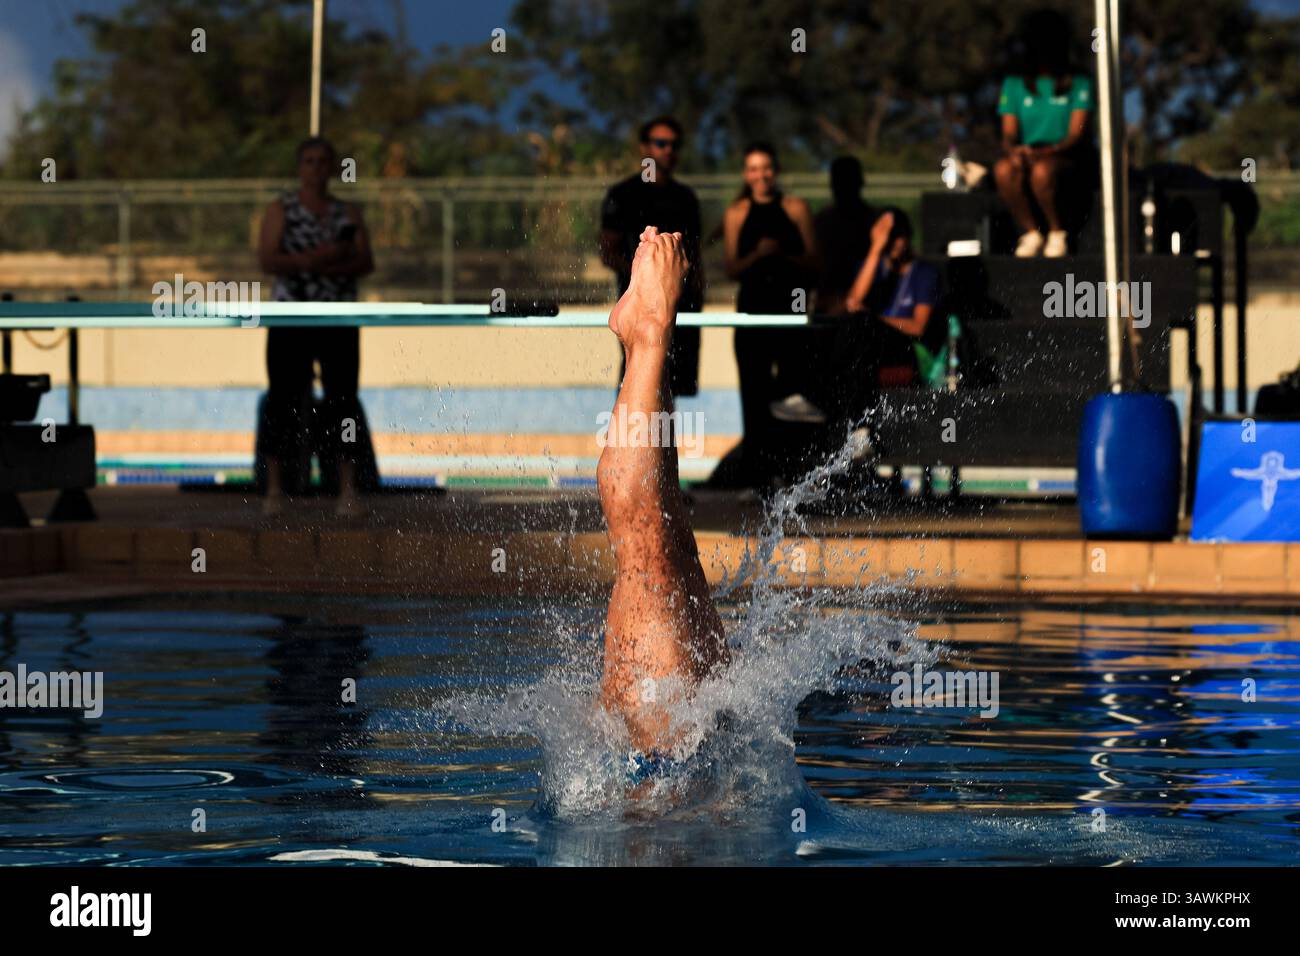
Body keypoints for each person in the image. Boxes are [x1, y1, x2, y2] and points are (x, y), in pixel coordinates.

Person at [598, 225, 729, 764]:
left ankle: (646, 339)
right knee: (659, 545)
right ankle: (646, 337)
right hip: (669, 776)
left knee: (654, 548)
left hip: (660, 781)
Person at [257, 137, 375, 516]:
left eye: (323, 161)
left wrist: (325, 265)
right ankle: (275, 490)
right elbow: (268, 259)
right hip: (292, 316)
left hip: (338, 318)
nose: (315, 168)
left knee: (343, 401)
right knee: (282, 399)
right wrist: (320, 258)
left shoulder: (346, 212)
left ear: (332, 167)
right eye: (308, 161)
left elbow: (364, 261)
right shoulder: (282, 209)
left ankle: (347, 490)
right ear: (299, 167)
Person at [721, 143, 818, 486]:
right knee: (754, 393)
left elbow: (813, 262)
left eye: (766, 168)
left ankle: (792, 472)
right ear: (746, 174)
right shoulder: (736, 212)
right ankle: (757, 478)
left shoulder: (795, 208)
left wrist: (782, 255)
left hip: (789, 309)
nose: (760, 175)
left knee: (791, 394)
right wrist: (759, 256)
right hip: (752, 311)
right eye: (753, 169)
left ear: (775, 171)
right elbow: (732, 268)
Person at [599, 116, 704, 396]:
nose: (668, 150)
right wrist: (647, 276)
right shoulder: (622, 195)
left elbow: (694, 252)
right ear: (645, 147)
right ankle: (629, 440)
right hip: (639, 302)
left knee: (674, 385)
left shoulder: (685, 198)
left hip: (683, 303)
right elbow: (608, 252)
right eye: (661, 143)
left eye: (674, 144)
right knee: (636, 378)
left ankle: (661, 441)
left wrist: (693, 289)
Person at [770, 156, 879, 425]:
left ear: (859, 183)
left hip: (861, 313)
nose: (843, 187)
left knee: (850, 338)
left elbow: (879, 276)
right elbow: (812, 271)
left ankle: (852, 423)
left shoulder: (872, 223)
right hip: (824, 312)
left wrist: (846, 302)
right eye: (839, 181)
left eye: (848, 180)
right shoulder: (823, 222)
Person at [993, 8, 1094, 258]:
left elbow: (1076, 133)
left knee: (1042, 172)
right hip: (1029, 152)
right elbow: (1008, 132)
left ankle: (1057, 233)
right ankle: (1031, 233)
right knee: (1004, 170)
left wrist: (1049, 151)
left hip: (1066, 158)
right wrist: (1015, 151)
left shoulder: (1079, 82)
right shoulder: (1014, 83)